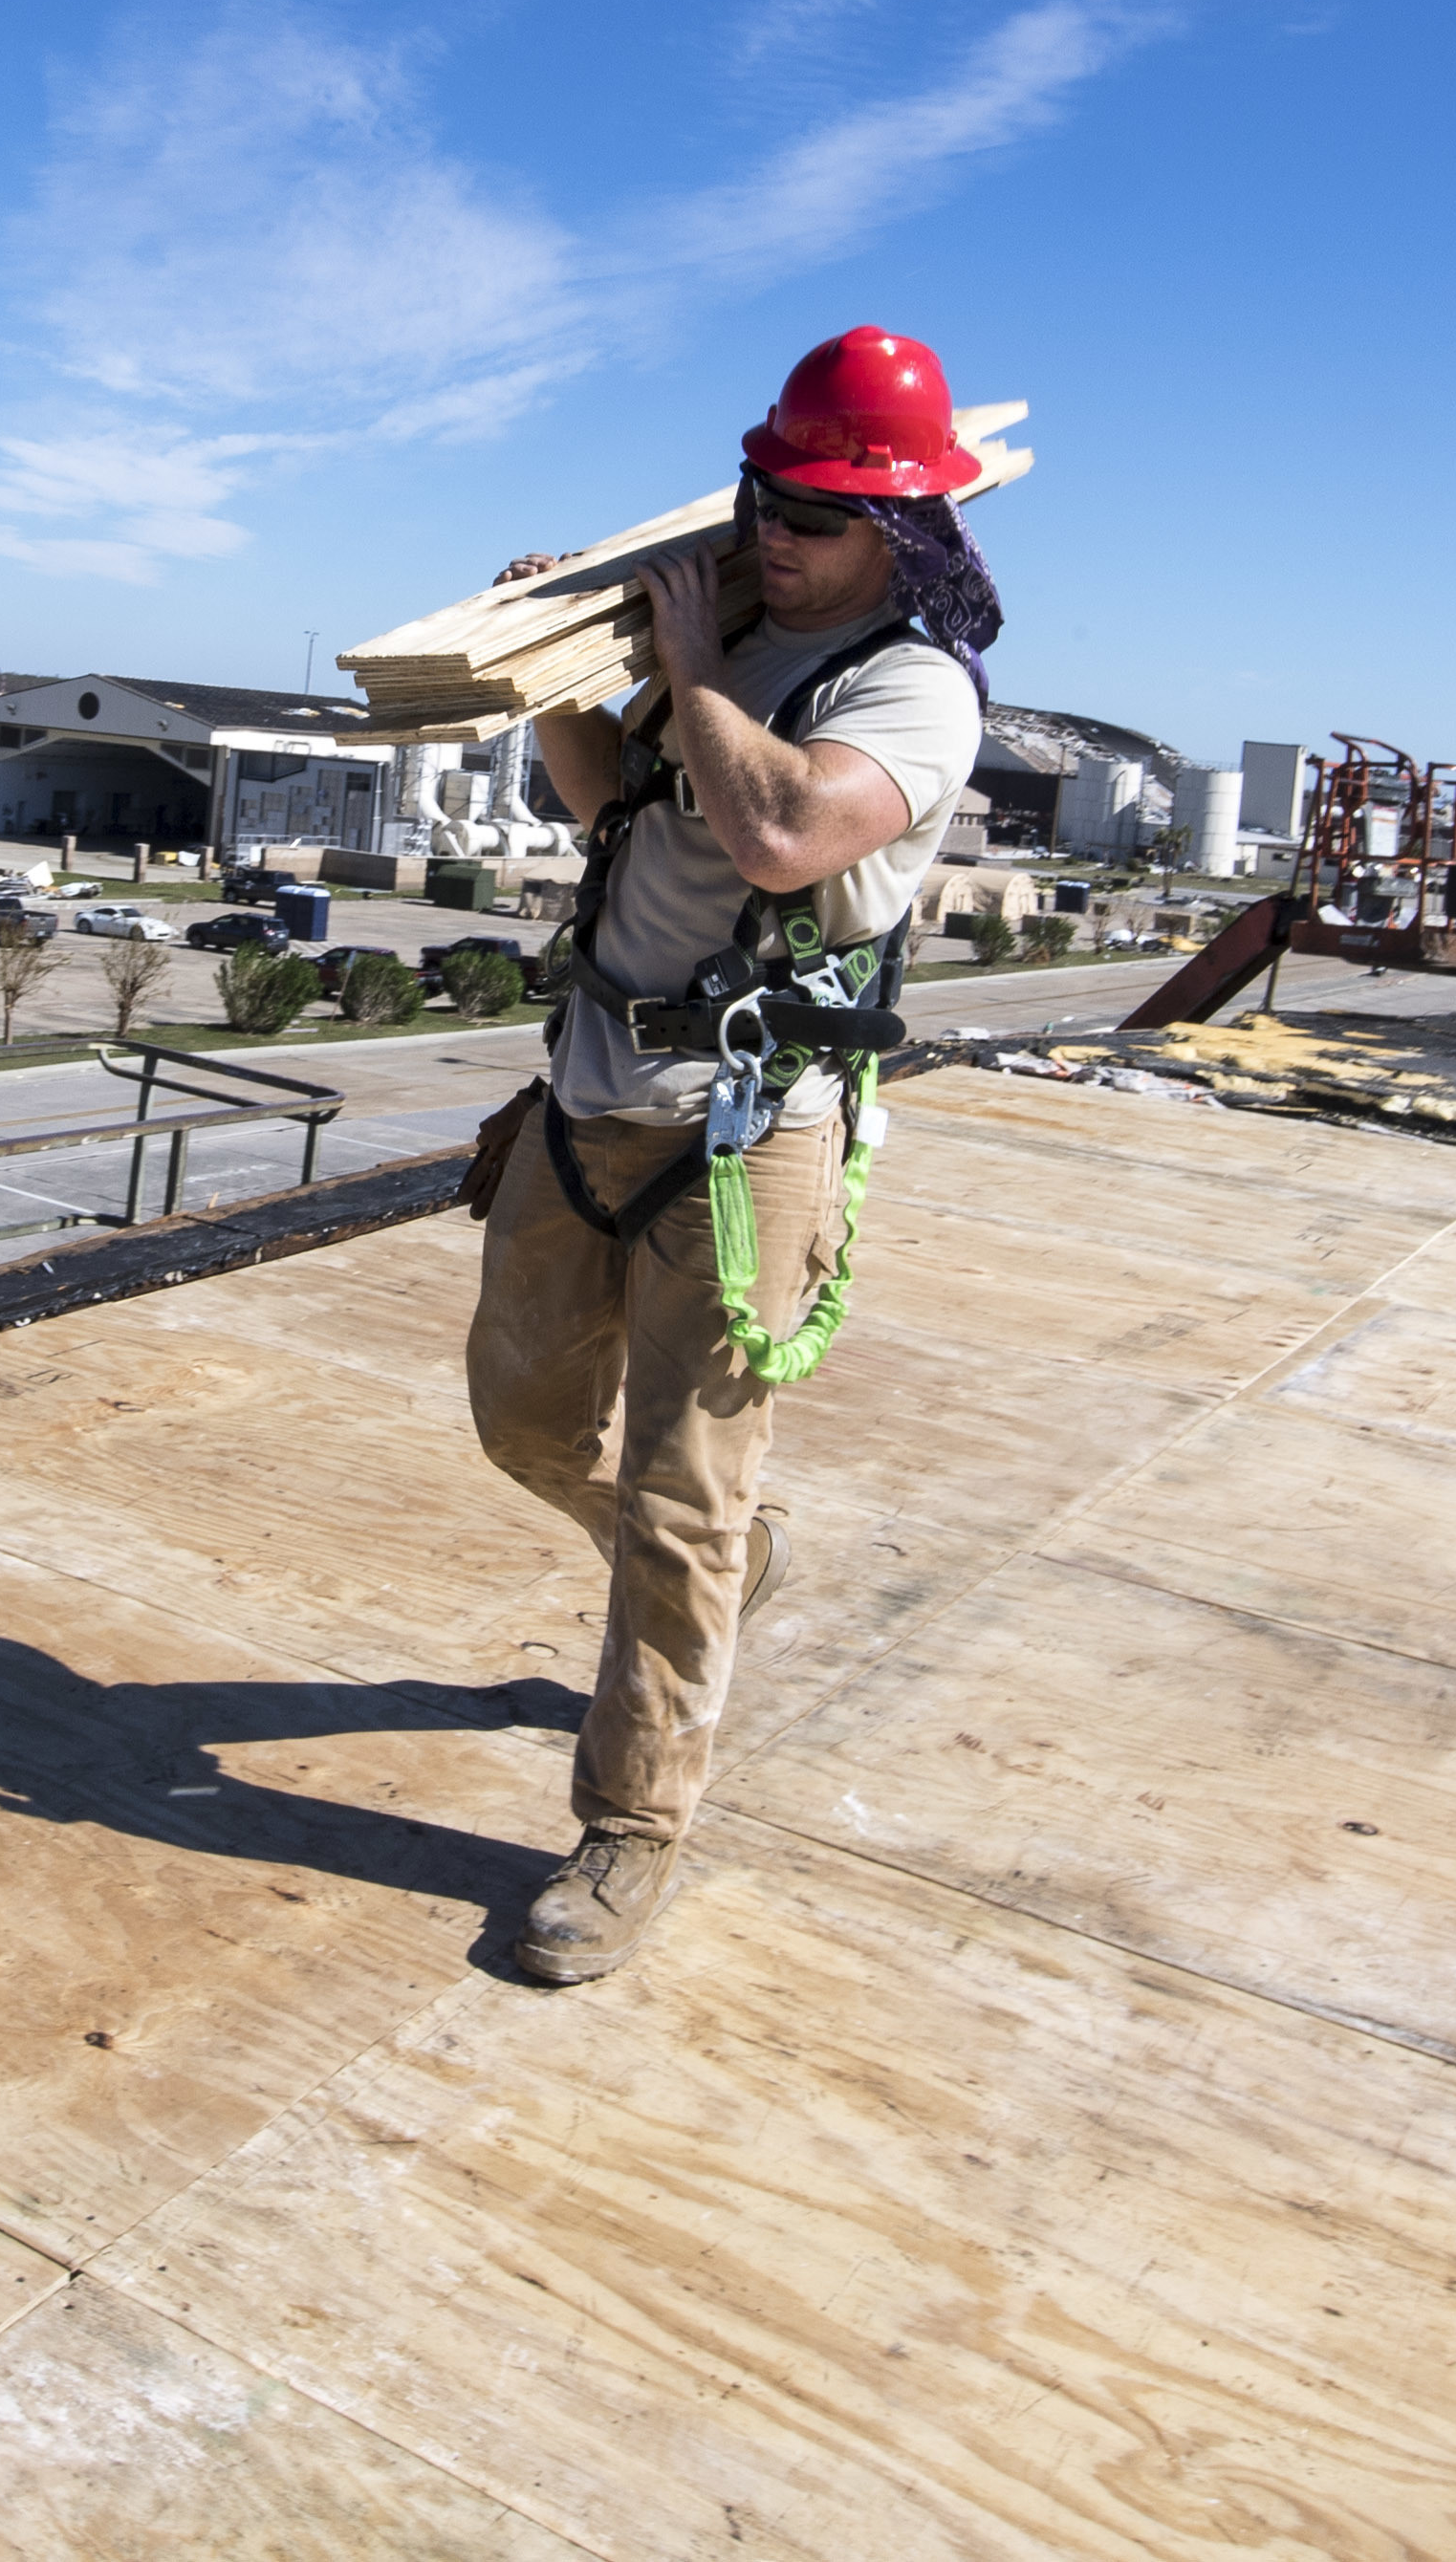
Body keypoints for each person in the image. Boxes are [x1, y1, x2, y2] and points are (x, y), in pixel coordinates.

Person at [469, 325, 1000, 1984]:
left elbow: (780, 832)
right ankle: (720, 1564)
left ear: (900, 533)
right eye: (768, 492)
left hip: (745, 1136)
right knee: (522, 1418)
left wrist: (693, 660)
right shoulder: (731, 637)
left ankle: (632, 1827)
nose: (779, 530)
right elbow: (607, 799)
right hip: (589, 1104)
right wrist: (567, 668)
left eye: (821, 513)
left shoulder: (910, 689)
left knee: (685, 1497)